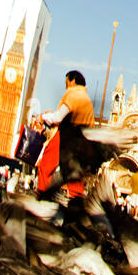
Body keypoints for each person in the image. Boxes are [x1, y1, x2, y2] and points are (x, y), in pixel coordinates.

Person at [37, 70, 97, 201]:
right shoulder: (86, 100)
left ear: (73, 81)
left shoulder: (73, 95)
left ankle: (42, 197)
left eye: (67, 83)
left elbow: (59, 117)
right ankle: (76, 206)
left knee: (46, 166)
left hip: (67, 135)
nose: (66, 86)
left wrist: (43, 117)